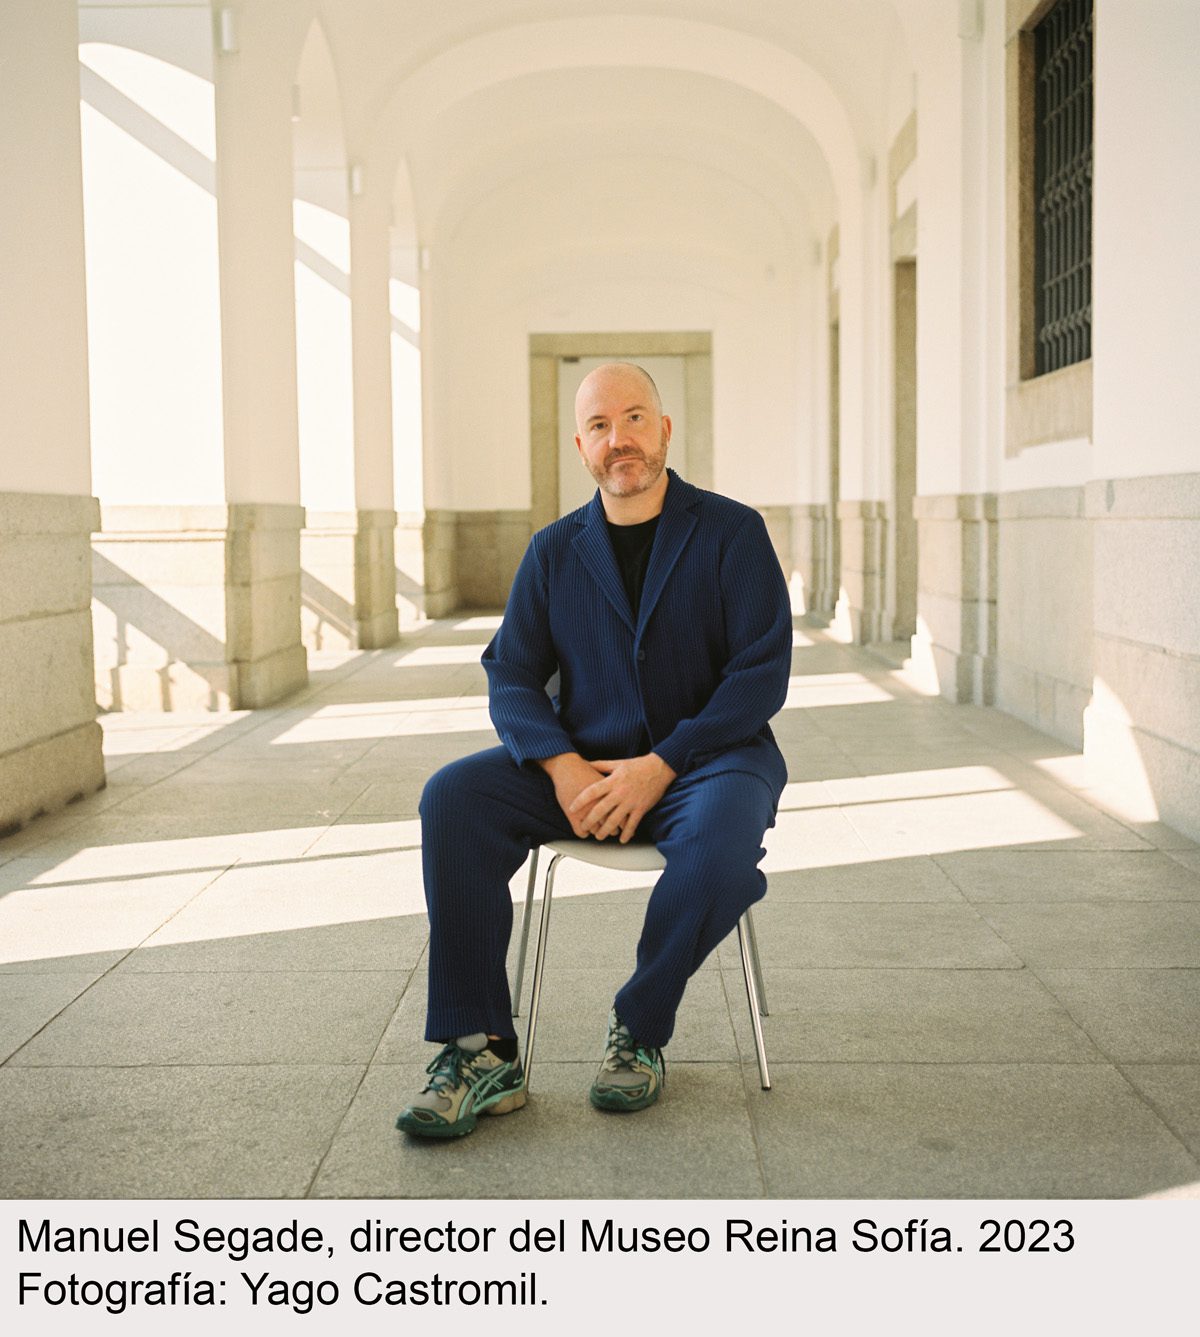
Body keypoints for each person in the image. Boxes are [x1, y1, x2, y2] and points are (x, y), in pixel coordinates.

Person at [396, 362, 792, 1139]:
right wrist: (559, 763)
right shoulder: (553, 550)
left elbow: (761, 672)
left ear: (665, 429)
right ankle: (480, 1051)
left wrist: (664, 762)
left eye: (636, 419)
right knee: (454, 797)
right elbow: (509, 670)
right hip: (584, 763)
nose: (622, 440)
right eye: (602, 426)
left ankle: (638, 1027)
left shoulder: (732, 531)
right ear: (582, 445)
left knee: (718, 851)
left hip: (712, 758)